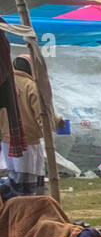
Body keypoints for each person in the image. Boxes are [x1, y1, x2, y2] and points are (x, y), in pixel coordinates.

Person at [3, 55, 62, 195]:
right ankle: (30, 207)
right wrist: (58, 121)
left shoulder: (5, 84)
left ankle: (14, 207)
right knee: (30, 179)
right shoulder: (31, 86)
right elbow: (44, 114)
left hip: (7, 141)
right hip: (28, 141)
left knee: (14, 176)